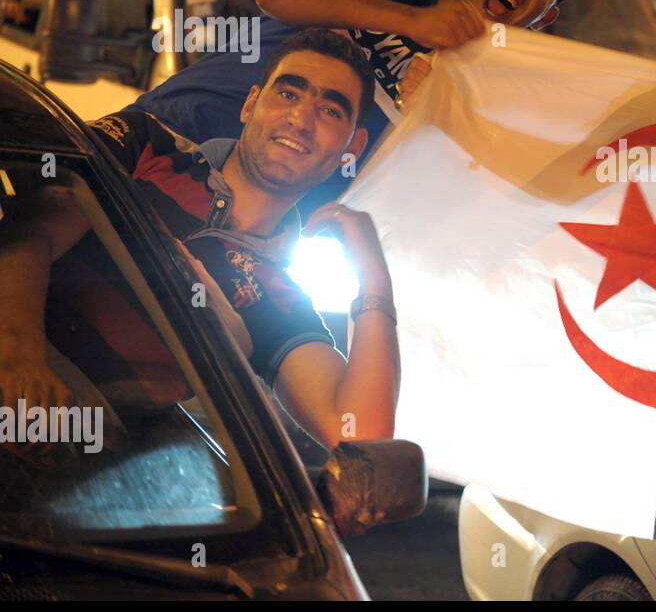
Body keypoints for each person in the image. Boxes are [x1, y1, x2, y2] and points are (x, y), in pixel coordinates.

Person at [0, 29, 398, 449]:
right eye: (287, 94)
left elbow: (359, 433)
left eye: (330, 111)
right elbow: (30, 232)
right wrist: (17, 354)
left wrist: (374, 276)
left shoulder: (279, 301)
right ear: (250, 104)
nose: (301, 119)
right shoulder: (145, 146)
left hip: (71, 461)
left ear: (352, 146)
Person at [133, 0, 583, 199]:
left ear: (546, 17)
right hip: (171, 133)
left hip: (257, 231)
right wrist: (413, 22)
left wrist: (430, 117)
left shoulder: (489, 108)